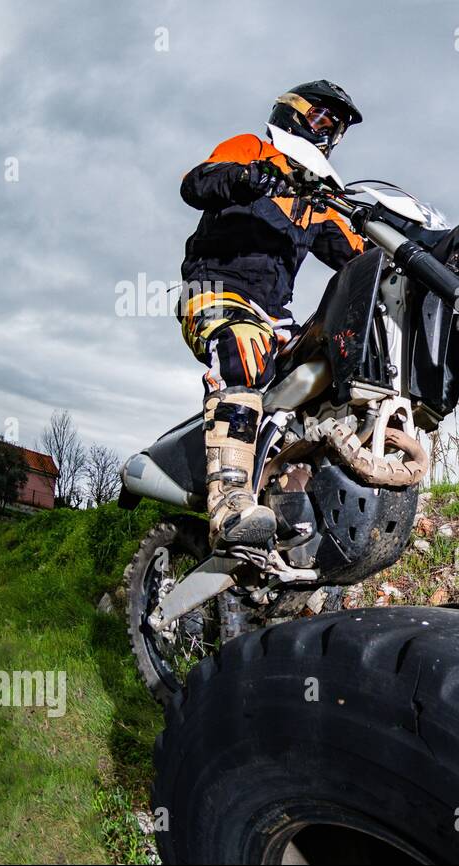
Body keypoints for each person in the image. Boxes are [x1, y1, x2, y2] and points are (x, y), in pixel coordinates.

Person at [177, 80, 365, 546]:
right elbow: (197, 183)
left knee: (329, 370)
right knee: (243, 343)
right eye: (322, 118)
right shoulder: (252, 148)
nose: (328, 132)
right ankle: (229, 501)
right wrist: (250, 178)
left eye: (335, 128)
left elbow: (357, 253)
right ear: (293, 113)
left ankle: (293, 500)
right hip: (215, 292)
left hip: (274, 316)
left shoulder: (316, 200)